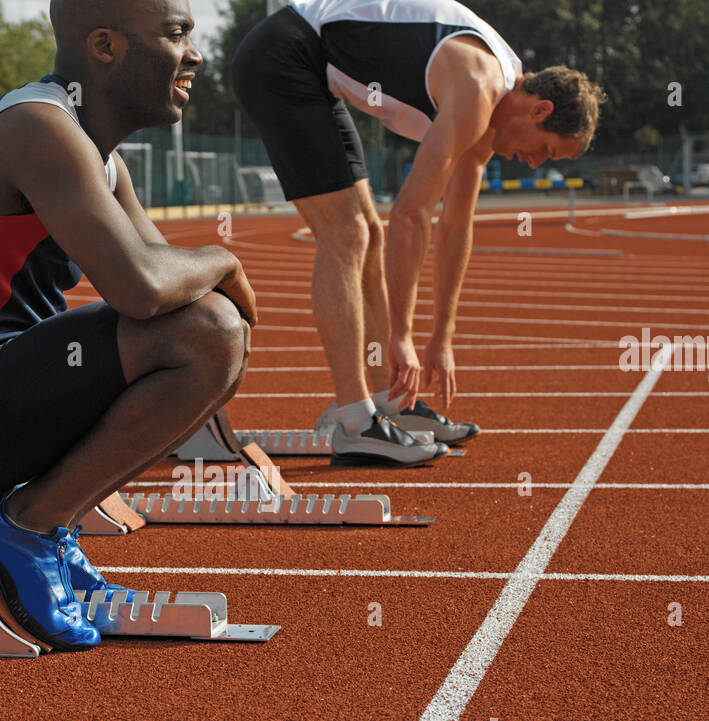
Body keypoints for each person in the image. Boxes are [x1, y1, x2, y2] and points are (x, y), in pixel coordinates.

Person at [0, 0, 258, 651]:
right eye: (176, 34)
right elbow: (142, 287)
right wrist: (223, 258)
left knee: (215, 336)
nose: (194, 54)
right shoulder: (36, 128)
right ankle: (27, 526)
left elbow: (165, 288)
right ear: (105, 47)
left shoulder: (104, 160)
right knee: (208, 333)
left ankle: (47, 529)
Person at [233, 0, 606, 466]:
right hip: (283, 56)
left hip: (315, 70)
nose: (535, 163)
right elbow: (412, 213)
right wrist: (403, 336)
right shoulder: (478, 90)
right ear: (539, 109)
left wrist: (441, 338)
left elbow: (454, 227)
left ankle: (390, 403)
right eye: (546, 150)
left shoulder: (494, 106)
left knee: (368, 231)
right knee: (347, 235)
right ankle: (354, 422)